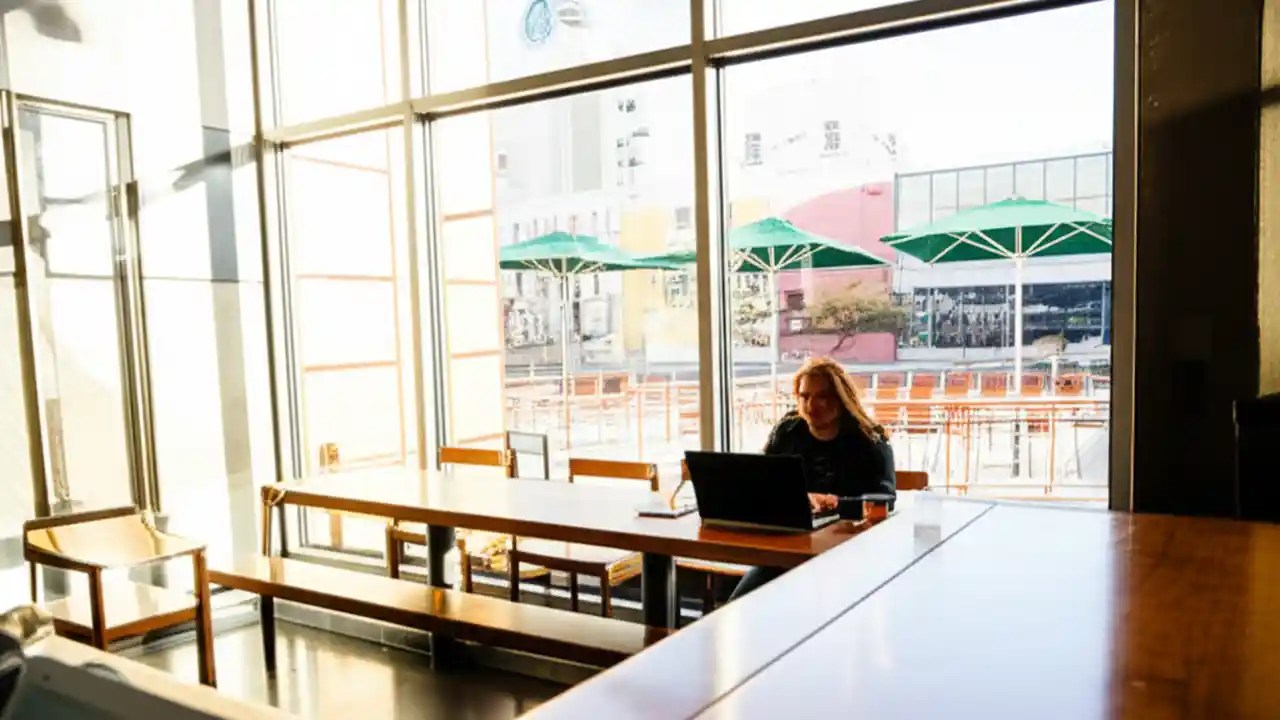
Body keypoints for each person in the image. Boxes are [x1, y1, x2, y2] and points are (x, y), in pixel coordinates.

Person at [728, 356, 896, 601]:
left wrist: (835, 503)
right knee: (738, 608)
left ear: (840, 399)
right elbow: (762, 475)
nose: (811, 405)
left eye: (822, 397)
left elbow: (887, 499)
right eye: (804, 396)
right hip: (788, 548)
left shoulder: (869, 439)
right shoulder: (788, 431)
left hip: (849, 553)